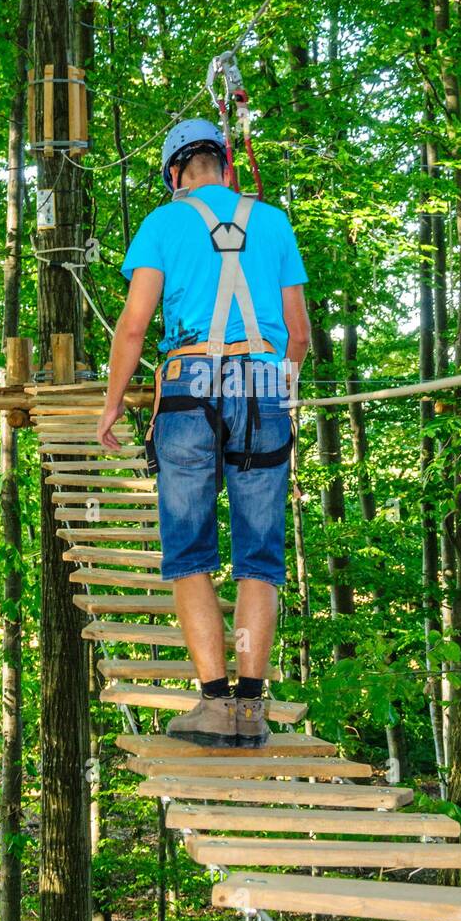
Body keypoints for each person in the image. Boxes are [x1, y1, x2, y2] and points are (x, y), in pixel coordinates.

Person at [97, 118, 311, 748]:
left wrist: (113, 405)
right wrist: (280, 391)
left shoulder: (163, 223)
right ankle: (251, 709)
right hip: (265, 388)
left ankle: (215, 705)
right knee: (259, 557)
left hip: (188, 388)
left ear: (174, 174)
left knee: (190, 551)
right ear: (224, 165)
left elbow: (133, 327)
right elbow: (298, 333)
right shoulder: (272, 222)